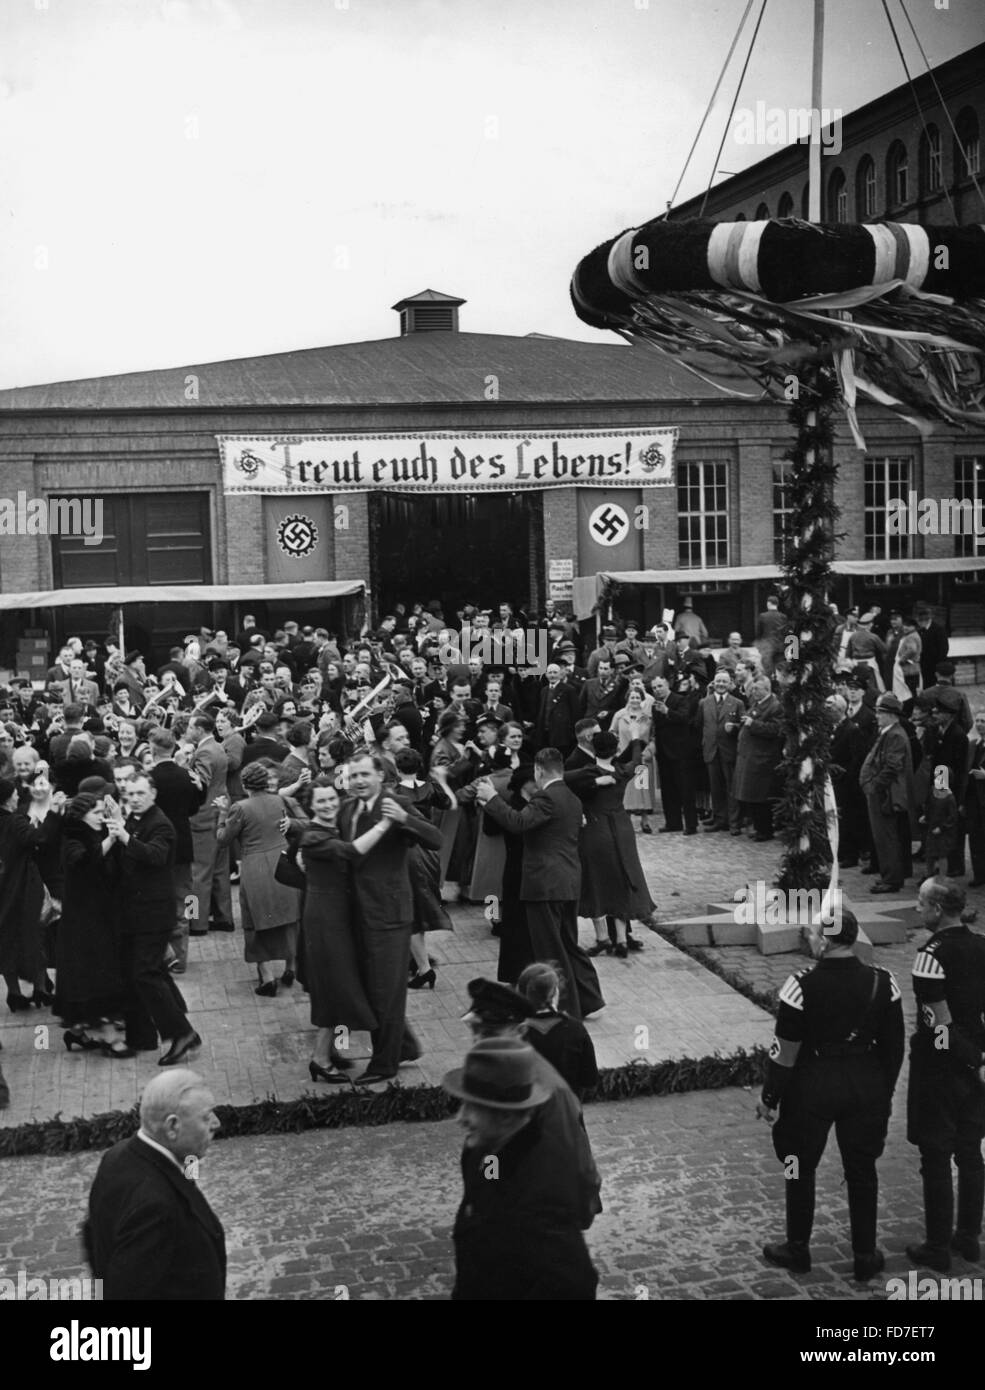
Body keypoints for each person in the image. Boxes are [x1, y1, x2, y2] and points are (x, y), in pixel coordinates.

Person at [758, 907, 905, 1283]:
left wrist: (770, 1099)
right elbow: (894, 1048)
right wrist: (882, 1091)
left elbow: (785, 1053)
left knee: (796, 1165)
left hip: (812, 1086)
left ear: (824, 939)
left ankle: (797, 1247)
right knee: (862, 1170)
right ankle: (864, 1255)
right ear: (854, 939)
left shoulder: (799, 985)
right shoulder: (883, 982)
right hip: (865, 1085)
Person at [443, 1036, 599, 1300]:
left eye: (473, 1108)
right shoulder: (486, 1150)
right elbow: (485, 1193)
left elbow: (575, 1284)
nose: (461, 1118)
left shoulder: (542, 1195)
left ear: (505, 1115)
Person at [339, 749, 444, 1086]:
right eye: (353, 776)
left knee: (386, 990)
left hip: (391, 915)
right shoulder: (348, 809)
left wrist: (404, 819)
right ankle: (404, 1045)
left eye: (364, 775)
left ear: (380, 776)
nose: (357, 782)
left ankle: (385, 1063)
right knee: (371, 986)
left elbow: (435, 838)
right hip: (358, 912)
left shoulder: (394, 803)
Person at [476, 748, 604, 1020]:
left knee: (550, 949)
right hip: (568, 881)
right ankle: (589, 998)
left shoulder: (546, 797)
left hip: (543, 884)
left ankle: (566, 1008)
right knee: (568, 944)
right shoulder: (571, 797)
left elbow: (518, 823)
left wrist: (492, 800)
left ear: (539, 770)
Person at [83, 1069, 225, 1300]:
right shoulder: (155, 1208)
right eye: (206, 1117)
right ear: (172, 1127)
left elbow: (92, 1236)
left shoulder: (117, 1155)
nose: (216, 1123)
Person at [906, 877, 985, 1272]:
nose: (917, 909)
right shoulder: (982, 945)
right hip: (978, 1065)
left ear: (938, 910)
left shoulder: (930, 956)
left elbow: (939, 1026)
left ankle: (937, 1244)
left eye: (921, 903)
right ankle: (969, 1237)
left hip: (943, 1069)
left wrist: (970, 1061)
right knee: (971, 1152)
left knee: (936, 1155)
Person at [294, 777, 393, 1083]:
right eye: (321, 801)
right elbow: (351, 851)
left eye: (331, 799)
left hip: (335, 916)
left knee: (338, 985)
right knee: (335, 986)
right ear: (310, 805)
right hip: (325, 921)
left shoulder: (326, 828)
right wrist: (385, 825)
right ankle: (320, 1059)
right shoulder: (313, 835)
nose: (328, 805)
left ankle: (329, 1054)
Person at [104, 773, 200, 1064]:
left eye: (140, 793)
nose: (134, 798)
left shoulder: (160, 824)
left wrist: (123, 836)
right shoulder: (134, 819)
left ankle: (182, 1034)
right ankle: (143, 1036)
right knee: (142, 972)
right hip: (133, 912)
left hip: (153, 913)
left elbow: (155, 856)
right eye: (130, 793)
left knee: (145, 973)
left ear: (153, 794)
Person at [55, 792, 130, 1056]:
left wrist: (116, 826)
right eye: (97, 813)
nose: (102, 817)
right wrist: (111, 838)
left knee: (91, 979)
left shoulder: (94, 831)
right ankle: (112, 1040)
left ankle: (76, 1033)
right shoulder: (72, 836)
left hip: (102, 917)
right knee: (97, 977)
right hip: (83, 922)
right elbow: (84, 863)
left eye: (103, 812)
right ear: (82, 814)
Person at [216, 761, 300, 995]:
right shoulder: (280, 801)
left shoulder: (240, 808)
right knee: (290, 917)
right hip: (285, 862)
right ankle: (290, 967)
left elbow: (223, 839)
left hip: (256, 868)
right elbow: (302, 823)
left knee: (255, 923)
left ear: (244, 784)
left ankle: (267, 978)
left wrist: (223, 813)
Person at [570, 731, 655, 958]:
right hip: (621, 828)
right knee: (621, 880)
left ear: (593, 749)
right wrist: (636, 740)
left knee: (595, 882)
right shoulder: (622, 771)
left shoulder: (589, 771)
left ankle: (602, 938)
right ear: (616, 750)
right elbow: (636, 760)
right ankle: (620, 940)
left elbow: (564, 777)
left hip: (595, 830)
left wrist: (594, 782)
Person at [149, 727, 205, 976]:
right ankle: (181, 957)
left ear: (152, 749)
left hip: (155, 846)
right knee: (185, 898)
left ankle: (161, 955)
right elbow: (194, 808)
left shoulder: (148, 779)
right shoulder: (187, 776)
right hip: (183, 845)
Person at [517, 962, 599, 1101]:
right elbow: (589, 1079)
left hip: (527, 1116)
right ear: (555, 992)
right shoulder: (575, 1029)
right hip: (567, 1113)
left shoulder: (515, 1033)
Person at [859, 692, 915, 894]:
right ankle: (889, 876)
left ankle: (892, 879)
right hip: (882, 793)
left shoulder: (895, 735)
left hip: (885, 795)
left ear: (892, 715)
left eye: (881, 713)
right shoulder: (890, 732)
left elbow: (892, 767)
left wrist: (873, 785)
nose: (877, 716)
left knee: (887, 837)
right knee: (884, 837)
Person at [186, 714, 234, 934]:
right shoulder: (218, 747)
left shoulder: (204, 751)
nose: (187, 730)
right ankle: (224, 918)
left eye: (189, 727)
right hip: (219, 813)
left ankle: (195, 921)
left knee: (197, 874)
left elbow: (199, 785)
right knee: (220, 871)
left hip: (202, 817)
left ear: (199, 729)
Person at [734, 676, 784, 842]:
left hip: (763, 759)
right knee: (753, 797)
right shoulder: (757, 704)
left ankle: (765, 830)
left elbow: (776, 729)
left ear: (767, 689)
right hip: (751, 757)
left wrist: (752, 724)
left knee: (762, 798)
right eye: (753, 688)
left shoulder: (775, 706)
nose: (753, 691)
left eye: (757, 689)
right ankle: (759, 827)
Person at [699, 669, 745, 835]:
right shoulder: (704, 703)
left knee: (731, 788)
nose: (720, 684)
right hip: (711, 751)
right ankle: (720, 820)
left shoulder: (737, 703)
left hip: (729, 751)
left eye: (724, 681)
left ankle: (734, 823)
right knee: (715, 788)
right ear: (713, 682)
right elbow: (699, 726)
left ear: (730, 684)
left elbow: (744, 725)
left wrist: (735, 728)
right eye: (718, 681)